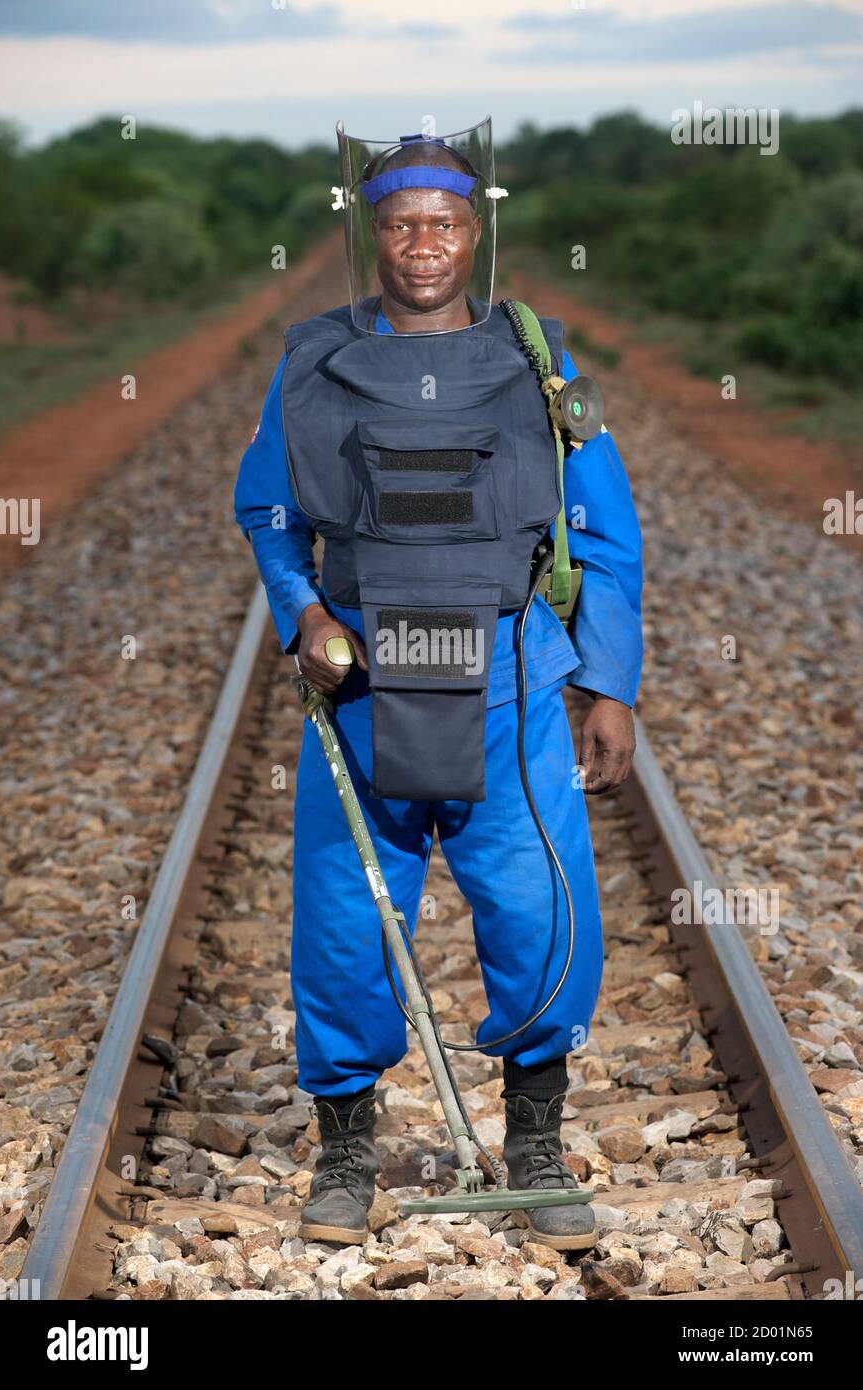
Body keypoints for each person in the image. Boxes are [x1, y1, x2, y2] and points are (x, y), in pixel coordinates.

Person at [234, 122, 643, 1251]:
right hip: (363, 679)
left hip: (509, 674)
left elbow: (604, 527)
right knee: (345, 919)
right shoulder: (311, 360)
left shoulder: (536, 359)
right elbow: (266, 510)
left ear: (477, 230)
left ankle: (536, 1142)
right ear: (374, 234)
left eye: (445, 223)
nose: (424, 243)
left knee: (538, 904)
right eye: (403, 223)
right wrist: (303, 612)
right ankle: (347, 1153)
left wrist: (606, 683)